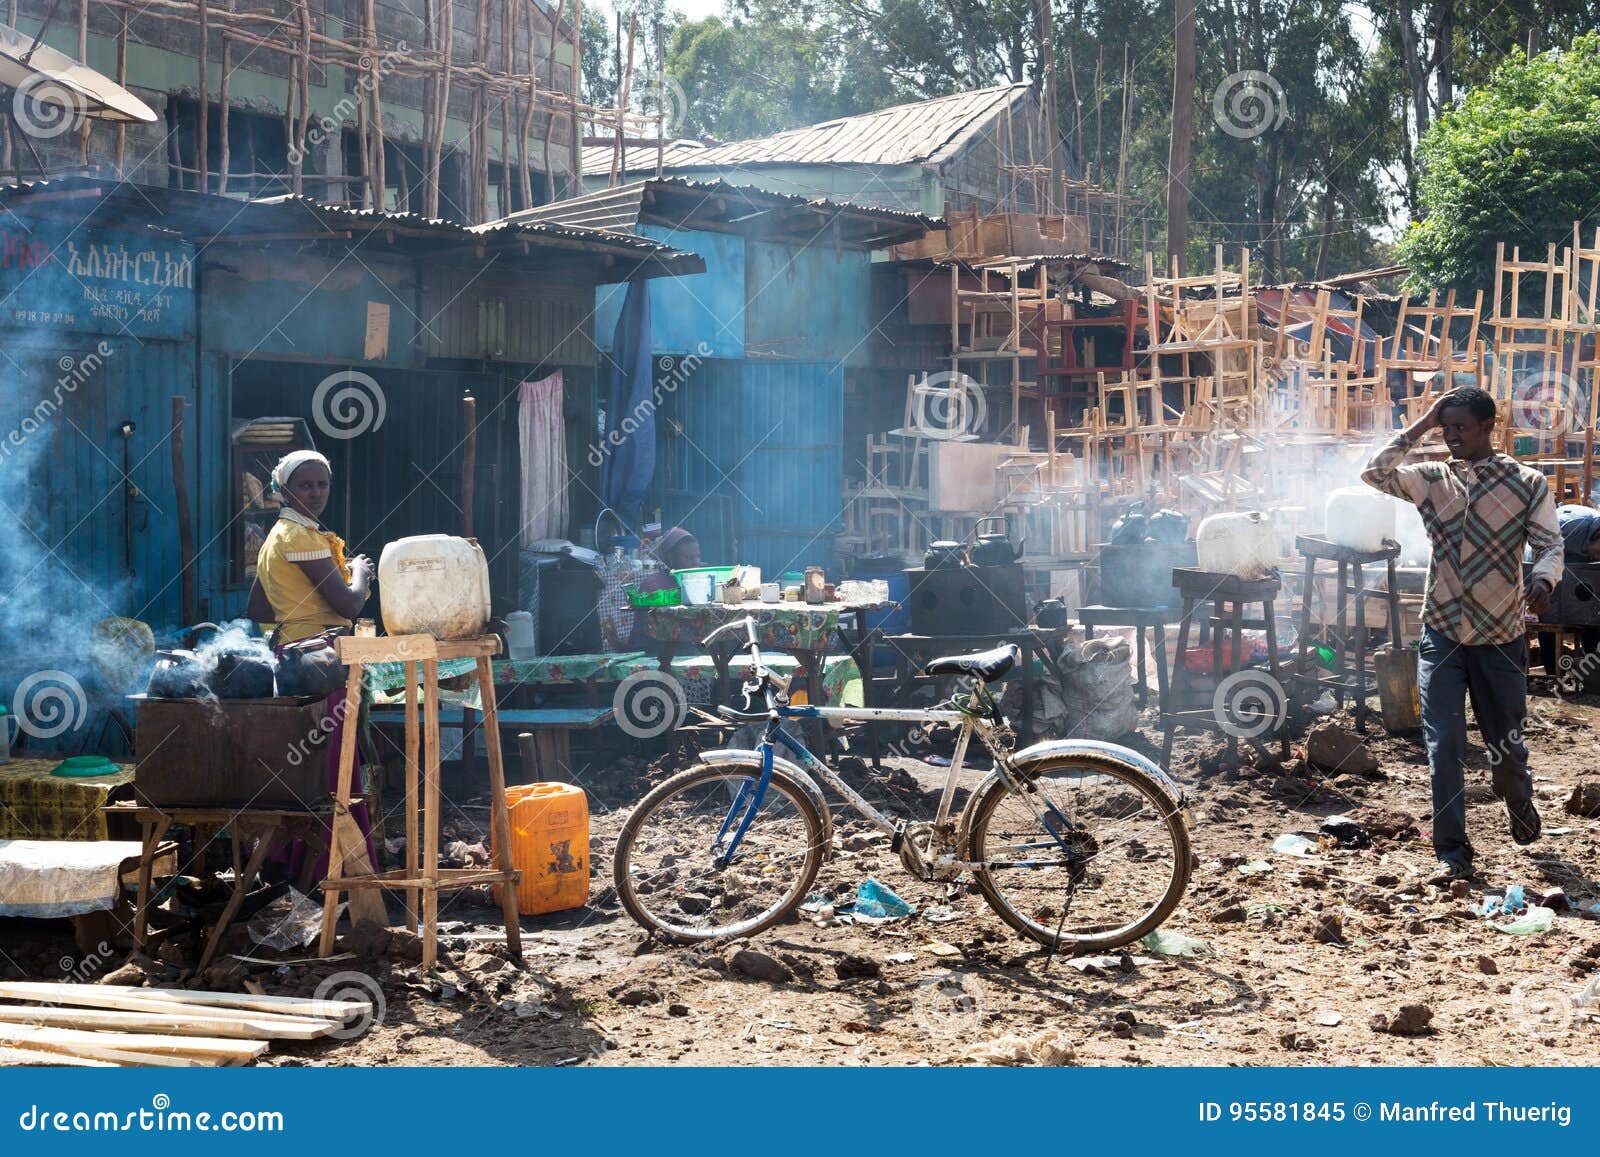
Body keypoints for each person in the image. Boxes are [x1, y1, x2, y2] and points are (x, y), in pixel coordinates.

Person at [1361, 387, 1562, 882]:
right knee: (1443, 743)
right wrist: (1422, 421)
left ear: (1489, 426)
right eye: (1445, 428)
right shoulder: (1432, 479)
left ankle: (1517, 797)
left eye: (1461, 428)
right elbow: (1374, 472)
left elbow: (1551, 543)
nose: (1451, 437)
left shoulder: (1527, 482)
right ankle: (1452, 853)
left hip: (1500, 635)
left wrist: (1543, 579)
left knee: (1505, 746)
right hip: (1443, 633)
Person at [246, 450, 378, 879]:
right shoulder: (300, 538)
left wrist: (296, 611)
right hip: (320, 663)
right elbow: (350, 602)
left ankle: (298, 870)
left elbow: (258, 608)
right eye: (305, 485)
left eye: (322, 484)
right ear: (284, 490)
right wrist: (359, 571)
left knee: (309, 770)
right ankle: (336, 874)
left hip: (293, 660)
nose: (316, 492)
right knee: (335, 772)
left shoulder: (277, 539)